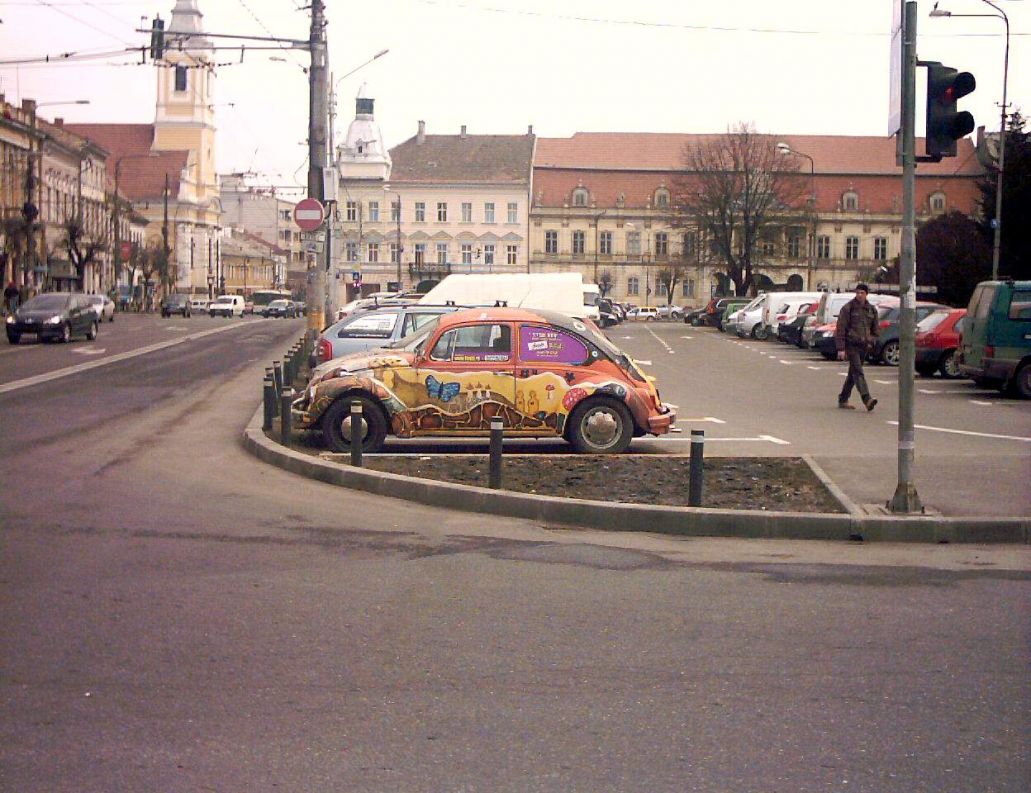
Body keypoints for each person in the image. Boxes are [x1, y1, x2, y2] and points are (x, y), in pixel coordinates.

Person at [835, 283, 879, 411]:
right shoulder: (848, 308)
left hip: (864, 346)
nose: (859, 295)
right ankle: (867, 399)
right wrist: (841, 348)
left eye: (862, 293)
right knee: (858, 371)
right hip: (851, 344)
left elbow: (876, 330)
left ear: (866, 294)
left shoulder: (871, 310)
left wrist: (871, 340)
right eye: (857, 292)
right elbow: (841, 328)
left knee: (853, 374)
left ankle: (843, 399)